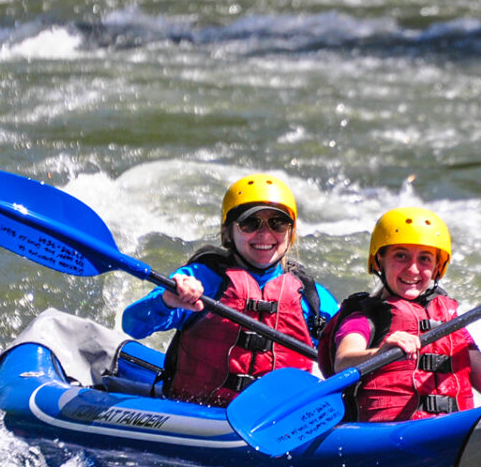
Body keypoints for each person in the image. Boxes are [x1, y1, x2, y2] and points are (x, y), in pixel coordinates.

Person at [122, 173, 338, 407]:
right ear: (228, 232)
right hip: (198, 411)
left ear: (291, 233)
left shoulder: (312, 297)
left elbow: (343, 359)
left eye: (278, 223)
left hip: (278, 419)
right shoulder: (201, 280)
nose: (265, 235)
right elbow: (132, 325)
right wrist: (167, 301)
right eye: (250, 223)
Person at [316, 206, 481, 423]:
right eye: (401, 256)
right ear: (379, 260)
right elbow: (343, 362)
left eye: (424, 259)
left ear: (436, 268)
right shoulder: (365, 315)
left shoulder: (449, 324)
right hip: (387, 438)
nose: (413, 269)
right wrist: (381, 353)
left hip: (447, 435)